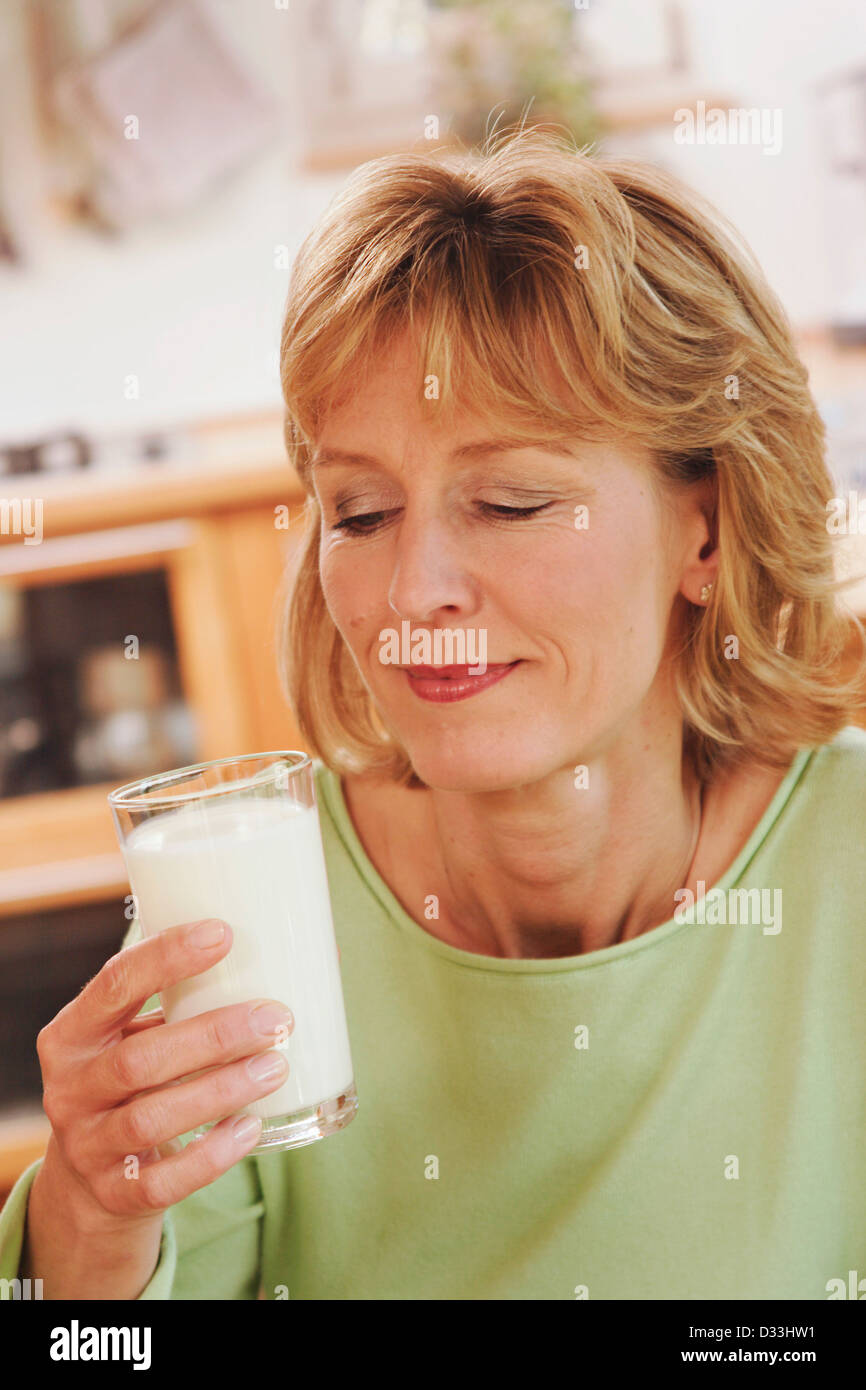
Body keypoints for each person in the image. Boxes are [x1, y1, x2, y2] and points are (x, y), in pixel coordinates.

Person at [2, 127, 865, 1300]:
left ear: (704, 531)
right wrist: (88, 1220)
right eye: (358, 513)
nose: (411, 592)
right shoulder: (254, 914)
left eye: (508, 502)